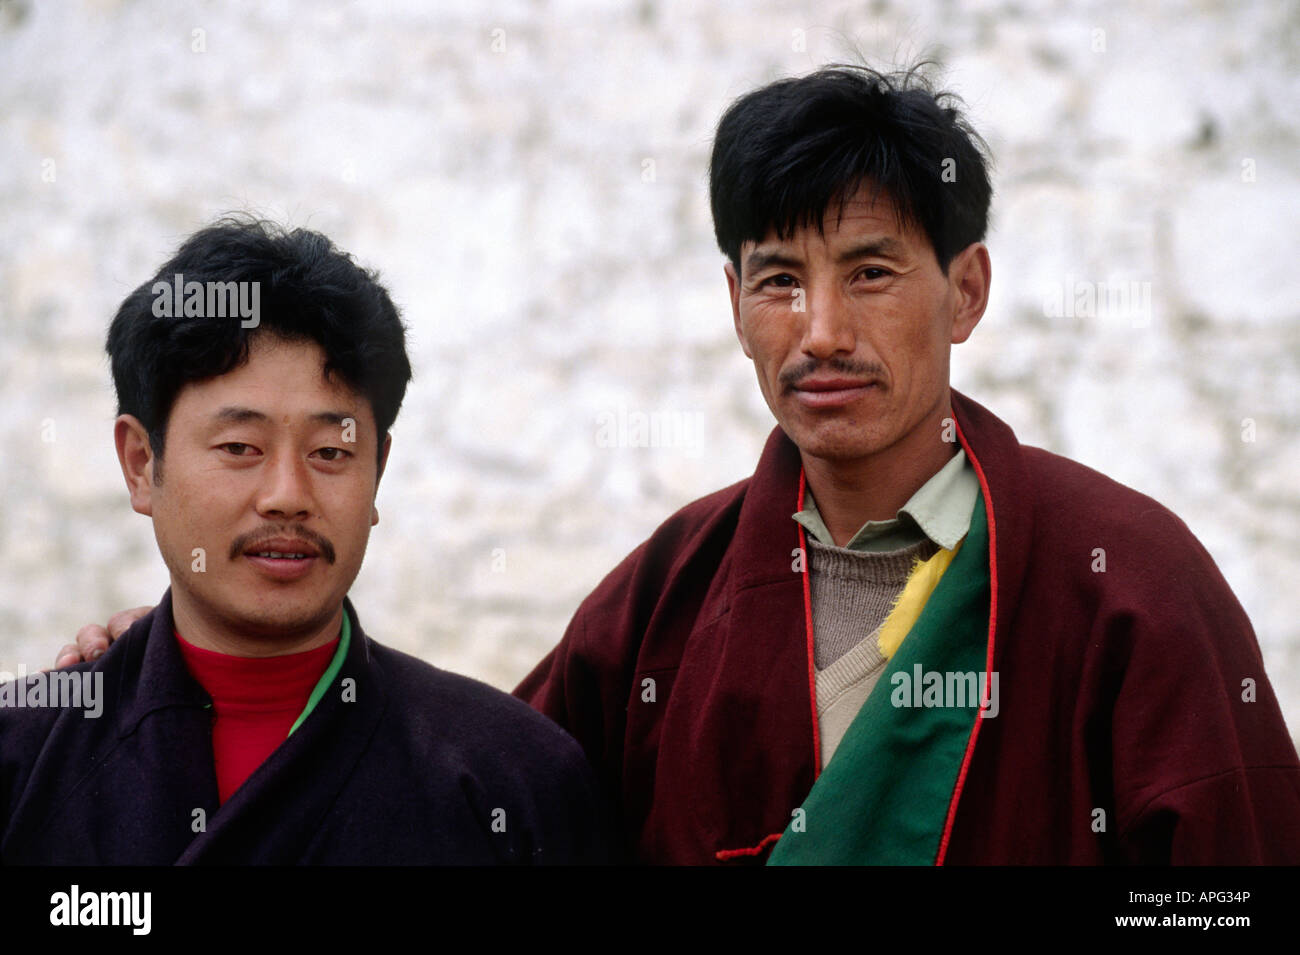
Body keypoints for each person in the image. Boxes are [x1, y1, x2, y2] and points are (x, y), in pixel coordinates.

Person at [62, 66, 1300, 866]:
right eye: (777, 279)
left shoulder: (1121, 578)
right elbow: (463, 780)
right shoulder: (676, 587)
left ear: (964, 290)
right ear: (732, 300)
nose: (819, 331)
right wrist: (194, 652)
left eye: (869, 271)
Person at [7, 218, 609, 864]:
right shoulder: (24, 761)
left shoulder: (513, 778)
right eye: (240, 447)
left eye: (330, 450)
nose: (288, 494)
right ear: (139, 462)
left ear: (378, 469)